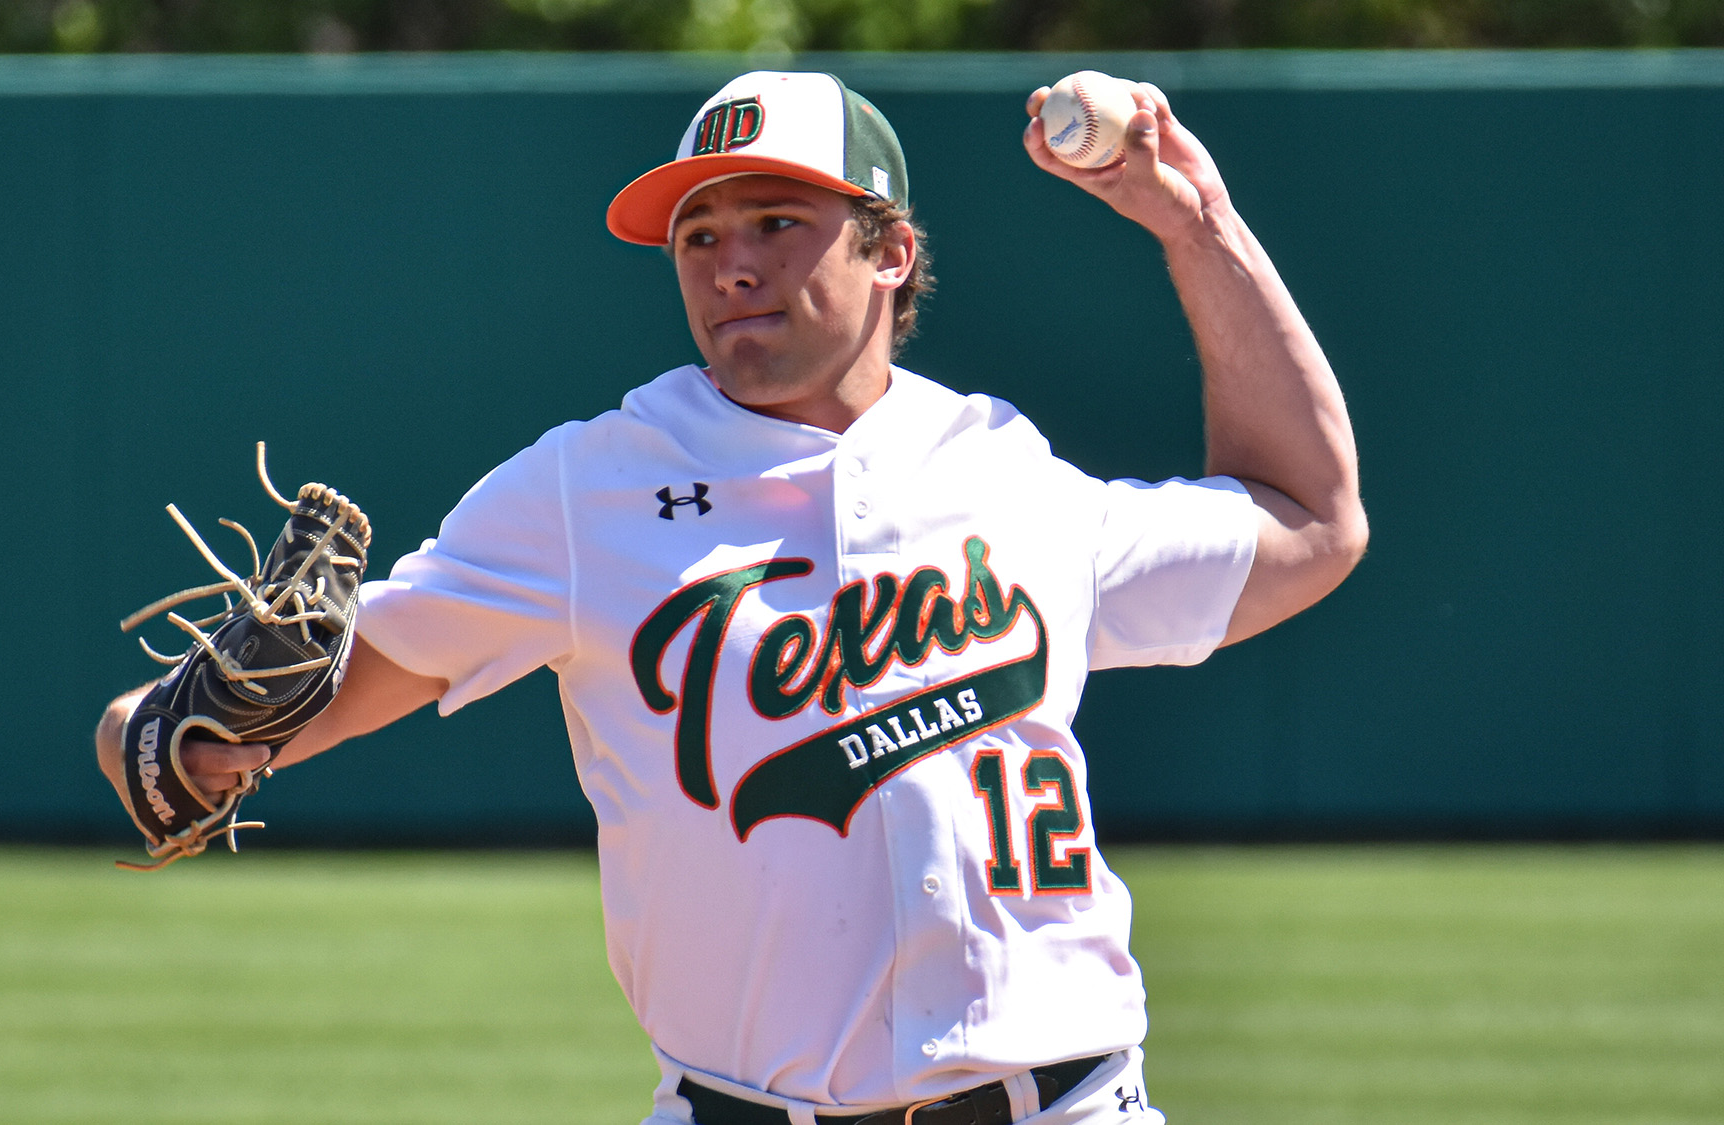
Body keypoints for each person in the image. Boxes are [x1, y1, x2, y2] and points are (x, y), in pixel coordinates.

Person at [97, 70, 1365, 1125]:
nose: (728, 264)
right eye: (698, 237)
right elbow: (273, 712)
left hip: (1071, 1097)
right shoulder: (585, 492)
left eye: (773, 222)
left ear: (891, 253)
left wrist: (1194, 224)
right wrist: (169, 737)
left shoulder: (1008, 474)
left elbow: (1307, 524)